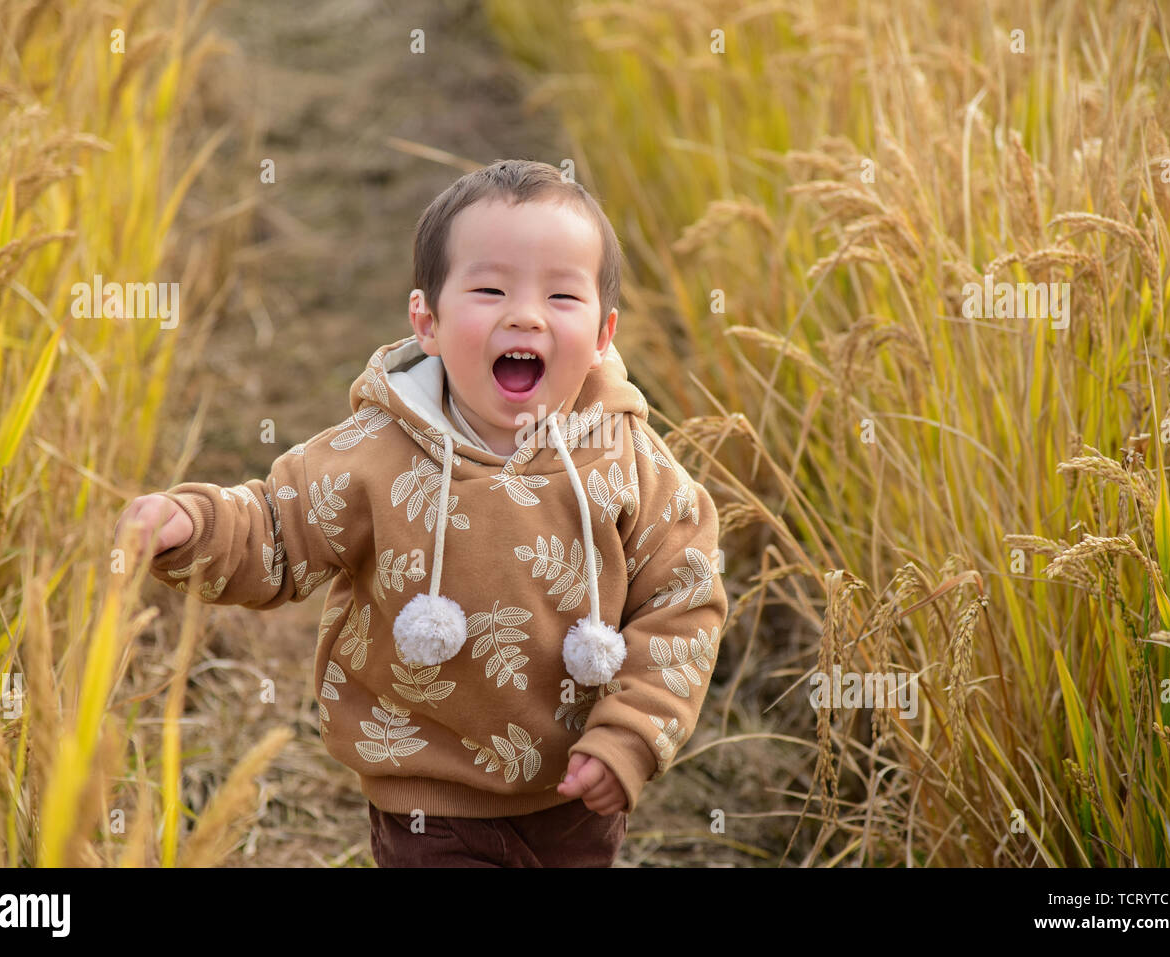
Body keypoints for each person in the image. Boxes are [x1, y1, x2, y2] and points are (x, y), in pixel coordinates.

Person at [114, 158, 728, 867]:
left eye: (561, 295)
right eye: (490, 288)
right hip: (423, 792)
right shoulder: (377, 450)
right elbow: (280, 529)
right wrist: (194, 525)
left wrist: (630, 735)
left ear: (602, 334)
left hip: (574, 790)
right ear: (427, 321)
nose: (523, 313)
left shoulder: (632, 463)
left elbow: (683, 600)